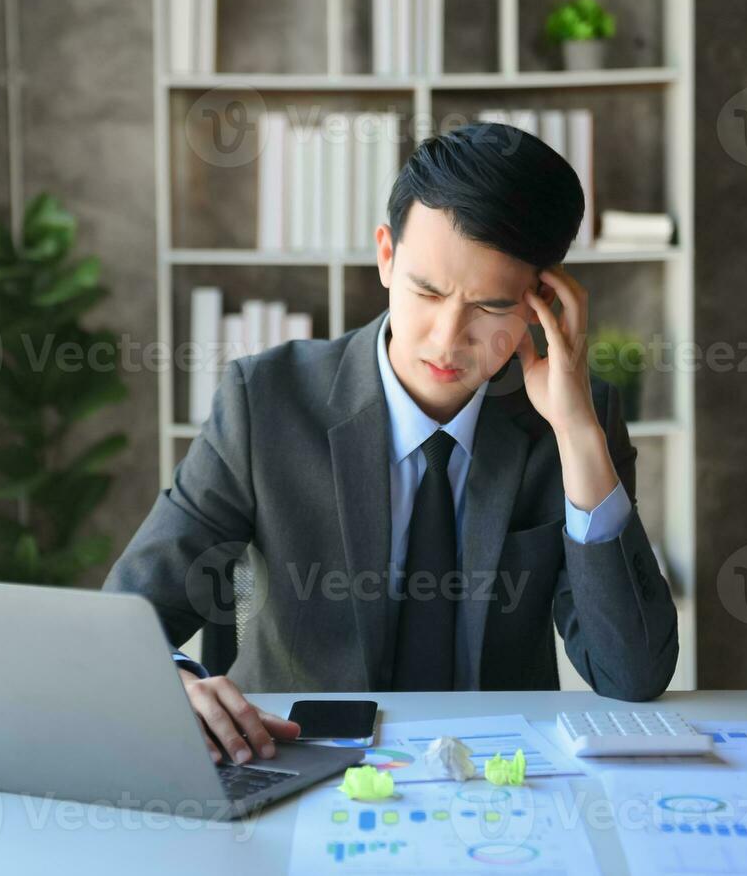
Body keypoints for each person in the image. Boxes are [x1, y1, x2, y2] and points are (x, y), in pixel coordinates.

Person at [104, 122, 677, 767]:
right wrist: (174, 681)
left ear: (543, 302)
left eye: (490, 307)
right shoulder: (264, 401)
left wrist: (576, 434)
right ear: (386, 256)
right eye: (427, 291)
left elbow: (632, 673)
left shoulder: (575, 421)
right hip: (298, 762)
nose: (447, 339)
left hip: (498, 774)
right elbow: (127, 620)